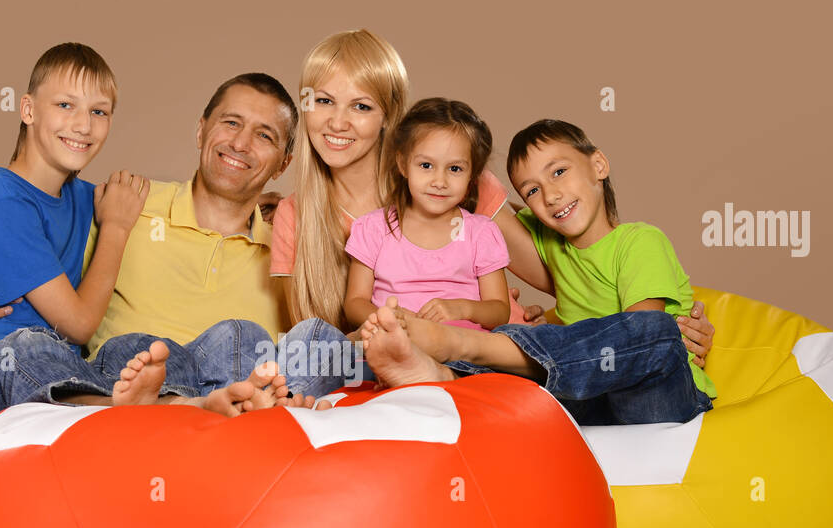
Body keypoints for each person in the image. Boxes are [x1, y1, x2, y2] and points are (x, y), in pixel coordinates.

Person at [272, 29, 717, 377]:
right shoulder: (296, 216)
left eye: (362, 107)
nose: (337, 121)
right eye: (323, 101)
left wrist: (661, 326)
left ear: (390, 117)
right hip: (387, 350)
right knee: (309, 347)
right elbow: (320, 336)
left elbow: (568, 274)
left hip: (498, 349)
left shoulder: (458, 181)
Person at [0, 44, 283, 436]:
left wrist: (271, 208)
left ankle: (164, 410)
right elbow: (80, 325)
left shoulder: (86, 198)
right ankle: (146, 409)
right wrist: (117, 228)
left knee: (144, 345)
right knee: (27, 347)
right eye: (65, 106)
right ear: (28, 110)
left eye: (98, 112)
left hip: (65, 371)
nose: (83, 125)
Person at [359, 118, 716, 426]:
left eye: (559, 172)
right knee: (519, 336)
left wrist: (552, 337)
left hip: (657, 395)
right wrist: (549, 330)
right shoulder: (549, 240)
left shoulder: (640, 241)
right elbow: (478, 193)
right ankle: (444, 374)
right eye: (532, 191)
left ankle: (460, 345)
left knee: (654, 330)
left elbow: (634, 338)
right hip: (589, 400)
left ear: (599, 165)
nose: (551, 195)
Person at [342, 97, 510, 335]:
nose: (439, 182)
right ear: (403, 164)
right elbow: (354, 303)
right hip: (395, 338)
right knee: (323, 340)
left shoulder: (480, 233)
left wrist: (462, 309)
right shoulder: (373, 228)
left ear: (472, 176)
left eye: (455, 169)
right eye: (426, 166)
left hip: (461, 348)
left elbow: (500, 311)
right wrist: (389, 317)